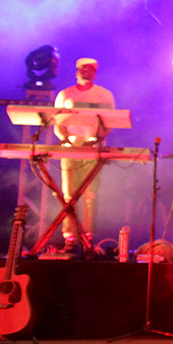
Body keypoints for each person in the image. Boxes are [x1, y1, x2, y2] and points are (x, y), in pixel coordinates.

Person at [53, 57, 115, 250]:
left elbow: (110, 121)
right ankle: (69, 238)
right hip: (70, 148)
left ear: (95, 73)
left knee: (90, 194)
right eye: (83, 68)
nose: (87, 71)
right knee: (69, 194)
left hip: (92, 148)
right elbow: (57, 122)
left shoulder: (103, 95)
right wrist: (65, 139)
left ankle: (87, 238)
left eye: (91, 69)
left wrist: (97, 138)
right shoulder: (65, 94)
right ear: (76, 71)